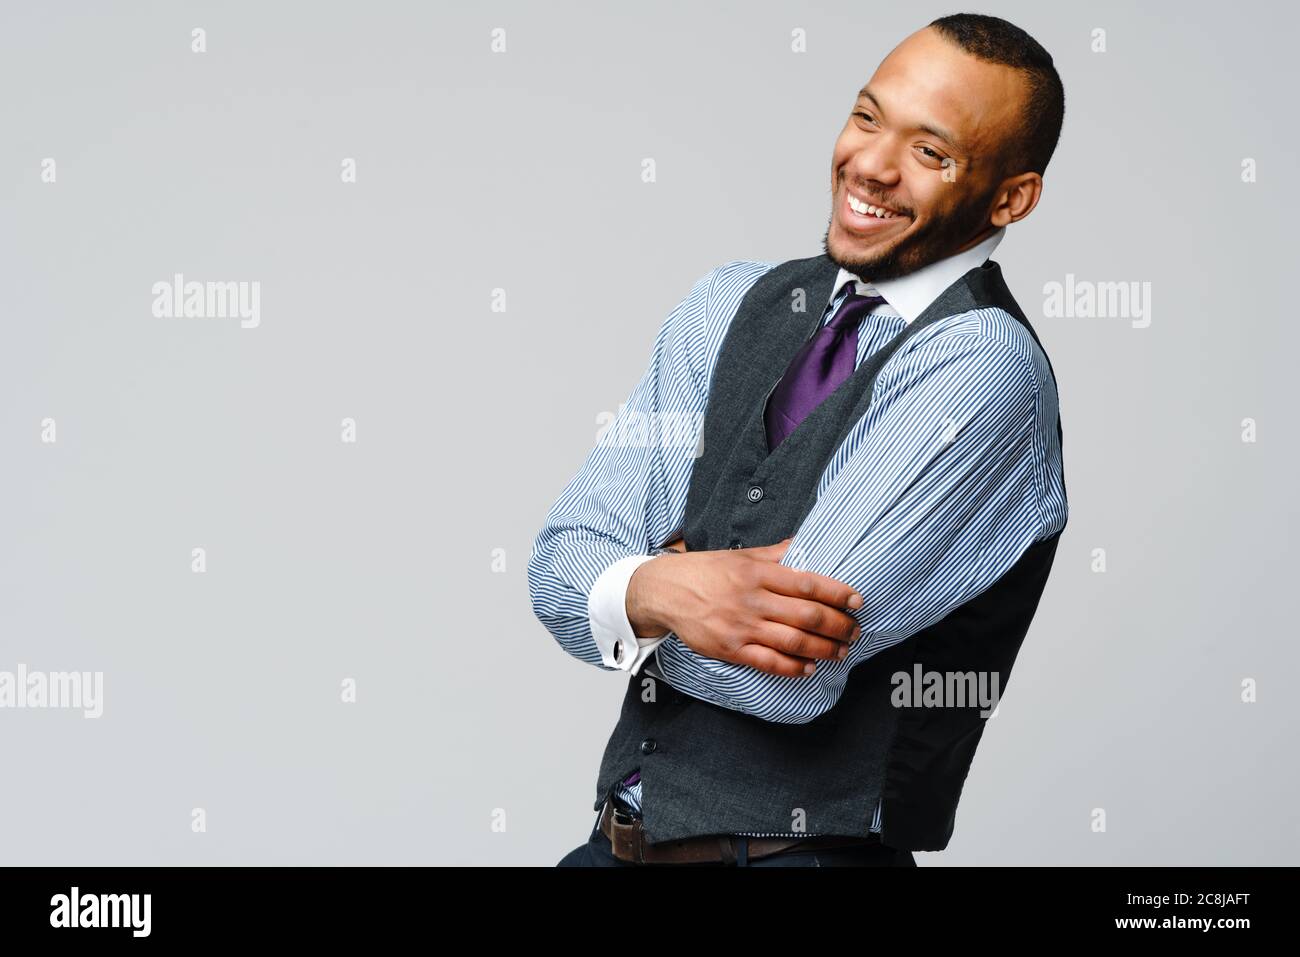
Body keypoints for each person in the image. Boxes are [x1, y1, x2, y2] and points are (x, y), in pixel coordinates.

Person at [530, 12, 1068, 867]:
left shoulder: (983, 367)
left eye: (930, 153)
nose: (872, 165)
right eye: (866, 116)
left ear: (1011, 198)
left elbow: (785, 676)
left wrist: (632, 589)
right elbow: (557, 568)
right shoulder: (727, 303)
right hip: (615, 844)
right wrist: (673, 586)